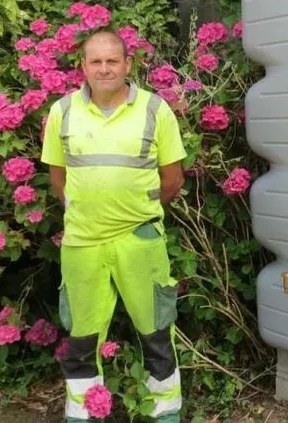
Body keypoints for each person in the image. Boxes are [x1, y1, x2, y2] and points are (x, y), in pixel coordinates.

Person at [41, 31, 186, 423]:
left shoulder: (156, 110)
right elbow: (59, 179)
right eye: (95, 62)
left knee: (155, 330)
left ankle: (166, 412)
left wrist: (135, 213)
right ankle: (84, 414)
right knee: (82, 337)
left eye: (112, 61)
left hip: (139, 240)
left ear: (127, 64)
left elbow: (172, 180)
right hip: (82, 243)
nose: (104, 69)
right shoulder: (63, 112)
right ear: (82, 67)